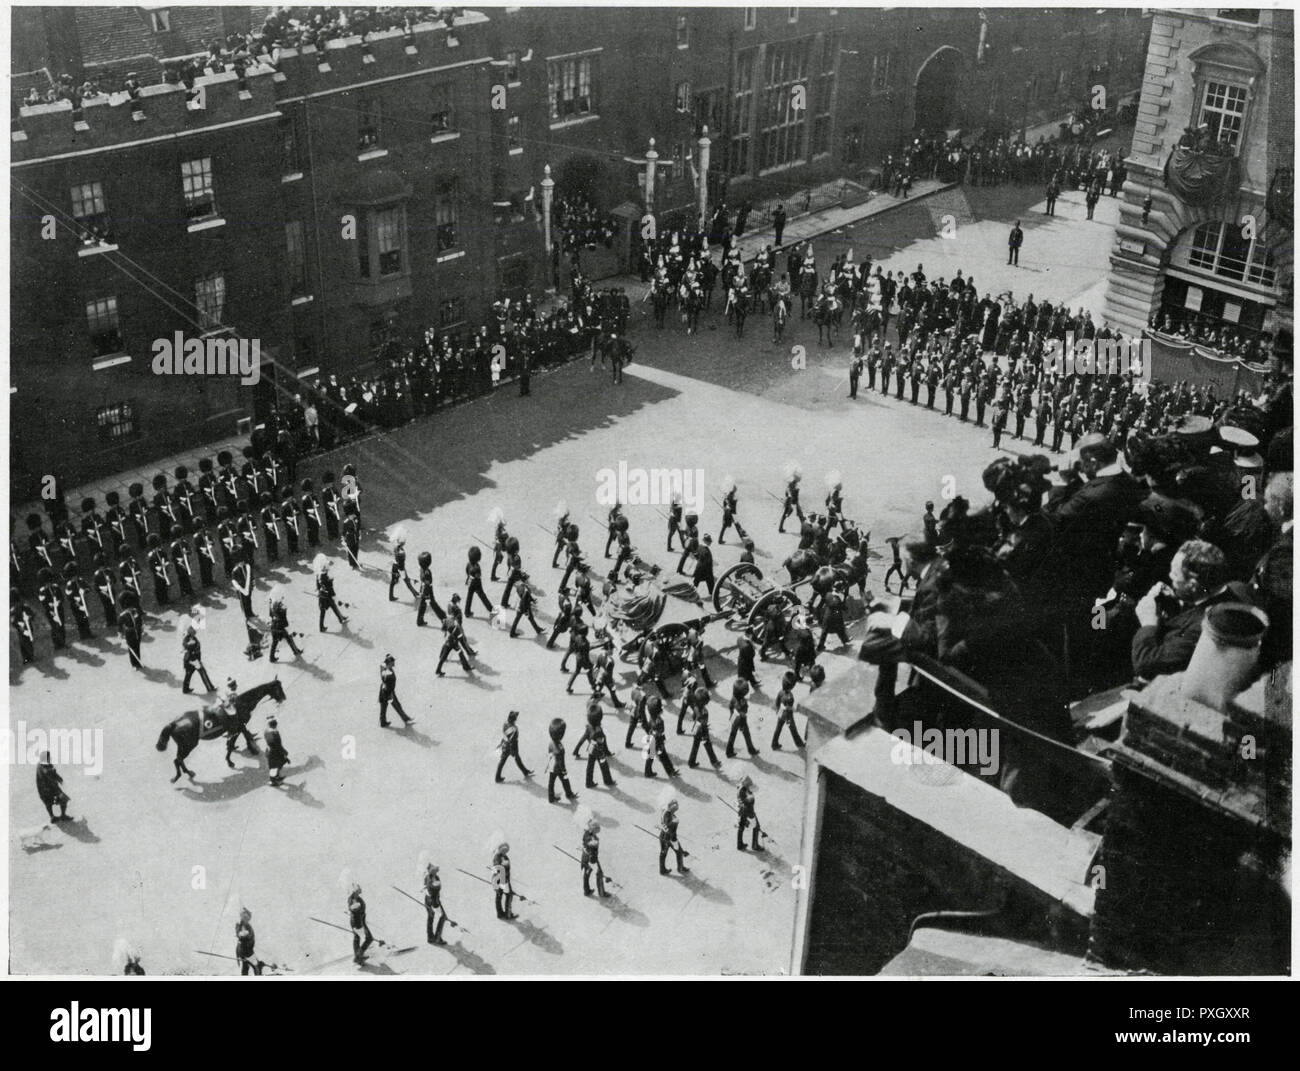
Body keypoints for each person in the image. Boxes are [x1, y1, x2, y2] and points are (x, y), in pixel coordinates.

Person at [495, 710, 533, 782]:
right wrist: (513, 750)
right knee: (516, 759)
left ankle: (497, 777)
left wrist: (501, 743)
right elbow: (512, 740)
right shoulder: (514, 728)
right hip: (512, 746)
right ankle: (525, 772)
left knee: (503, 761)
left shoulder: (505, 724)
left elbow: (505, 735)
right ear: (514, 719)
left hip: (505, 744)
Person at [725, 681, 760, 758]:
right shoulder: (736, 700)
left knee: (736, 735)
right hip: (738, 719)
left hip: (737, 718)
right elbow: (740, 711)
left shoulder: (737, 698)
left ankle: (730, 751)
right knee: (741, 734)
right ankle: (750, 750)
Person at [771, 671, 805, 749]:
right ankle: (799, 743)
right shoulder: (790, 697)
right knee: (793, 729)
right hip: (788, 716)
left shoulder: (781, 692)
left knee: (778, 728)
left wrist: (777, 710)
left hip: (780, 713)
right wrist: (796, 709)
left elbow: (777, 702)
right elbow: (790, 707)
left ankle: (774, 743)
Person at [379, 654, 413, 728]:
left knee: (384, 706)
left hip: (385, 691)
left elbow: (381, 666)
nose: (394, 663)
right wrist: (390, 694)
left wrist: (387, 659)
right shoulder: (388, 674)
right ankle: (406, 719)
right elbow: (387, 683)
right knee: (396, 706)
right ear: (389, 663)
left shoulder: (384, 667)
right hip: (388, 693)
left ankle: (383, 722)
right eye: (393, 662)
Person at [36, 751, 71, 822]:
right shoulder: (45, 769)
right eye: (49, 757)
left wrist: (59, 778)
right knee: (64, 799)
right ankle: (62, 816)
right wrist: (59, 791)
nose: (50, 758)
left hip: (43, 790)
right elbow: (51, 778)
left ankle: (52, 817)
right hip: (49, 790)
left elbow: (52, 773)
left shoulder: (42, 764)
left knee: (48, 803)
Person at [267, 590, 301, 662]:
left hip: (273, 626)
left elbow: (270, 614)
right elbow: (283, 615)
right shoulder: (280, 607)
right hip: (279, 627)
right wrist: (283, 608)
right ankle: (296, 651)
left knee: (275, 642)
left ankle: (271, 657)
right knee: (289, 639)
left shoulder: (272, 605)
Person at [181, 624, 215, 694]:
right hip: (192, 660)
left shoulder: (194, 638)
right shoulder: (187, 639)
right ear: (190, 632)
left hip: (191, 660)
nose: (195, 632)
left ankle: (185, 689)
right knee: (202, 673)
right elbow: (185, 645)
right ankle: (210, 688)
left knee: (188, 675)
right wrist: (190, 645)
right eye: (193, 631)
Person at [316, 557, 346, 631]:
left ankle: (341, 618)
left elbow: (318, 586)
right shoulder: (324, 577)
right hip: (325, 597)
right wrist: (330, 581)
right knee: (323, 612)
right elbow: (329, 588)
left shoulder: (319, 575)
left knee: (333, 607)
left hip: (324, 596)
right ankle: (321, 627)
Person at [509, 571, 544, 637]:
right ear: (524, 580)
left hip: (521, 604)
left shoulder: (519, 584)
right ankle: (512, 633)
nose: (528, 580)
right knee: (526, 618)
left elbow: (524, 596)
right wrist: (525, 610)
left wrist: (532, 600)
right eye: (527, 579)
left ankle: (537, 629)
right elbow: (525, 597)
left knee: (523, 619)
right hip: (524, 606)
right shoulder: (525, 588)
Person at [658, 800, 688, 875]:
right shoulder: (674, 820)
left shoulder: (664, 812)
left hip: (663, 836)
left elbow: (664, 824)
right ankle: (680, 868)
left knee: (663, 853)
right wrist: (676, 844)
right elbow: (672, 832)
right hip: (669, 838)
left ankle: (662, 870)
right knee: (678, 852)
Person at [388, 530, 418, 601]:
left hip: (394, 566)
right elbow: (401, 564)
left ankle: (391, 596)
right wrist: (401, 573)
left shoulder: (396, 547)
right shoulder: (402, 552)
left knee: (393, 582)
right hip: (400, 568)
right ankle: (415, 593)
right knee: (407, 581)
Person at [348, 885, 375, 963]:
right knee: (369, 938)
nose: (361, 890)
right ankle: (358, 956)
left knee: (357, 938)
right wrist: (355, 909)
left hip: (357, 921)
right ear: (355, 890)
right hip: (358, 922)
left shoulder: (354, 898)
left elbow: (352, 908)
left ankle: (357, 957)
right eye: (359, 889)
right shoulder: (353, 899)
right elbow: (353, 908)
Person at [736, 775, 763, 852]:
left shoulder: (740, 788)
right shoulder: (748, 794)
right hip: (748, 812)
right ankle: (755, 845)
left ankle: (739, 845)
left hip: (741, 811)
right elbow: (749, 806)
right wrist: (752, 817)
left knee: (741, 827)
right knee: (756, 826)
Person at [235, 908, 265, 976]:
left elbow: (248, 936)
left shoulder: (248, 926)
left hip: (247, 950)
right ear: (242, 917)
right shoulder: (240, 925)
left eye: (247, 917)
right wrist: (242, 934)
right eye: (244, 917)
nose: (246, 918)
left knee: (246, 966)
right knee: (256, 967)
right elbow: (239, 934)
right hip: (246, 951)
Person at [423, 864, 448, 945]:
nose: (437, 871)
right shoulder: (434, 881)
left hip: (428, 899)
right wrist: (436, 906)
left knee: (431, 916)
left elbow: (424, 885)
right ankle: (437, 937)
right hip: (433, 901)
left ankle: (430, 937)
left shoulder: (429, 877)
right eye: (435, 870)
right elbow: (434, 894)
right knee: (443, 916)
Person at [492, 843, 516, 920]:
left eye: (506, 850)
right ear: (500, 849)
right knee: (503, 895)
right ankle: (503, 914)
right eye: (503, 850)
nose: (505, 851)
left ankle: (504, 913)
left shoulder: (505, 857)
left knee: (505, 895)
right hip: (499, 880)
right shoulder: (497, 857)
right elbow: (496, 867)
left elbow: (507, 869)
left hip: (504, 879)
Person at [265, 716, 290, 785]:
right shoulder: (274, 733)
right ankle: (273, 781)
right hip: (274, 752)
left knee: (275, 765)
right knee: (274, 766)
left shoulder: (267, 731)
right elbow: (277, 745)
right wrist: (284, 752)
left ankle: (276, 777)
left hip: (270, 751)